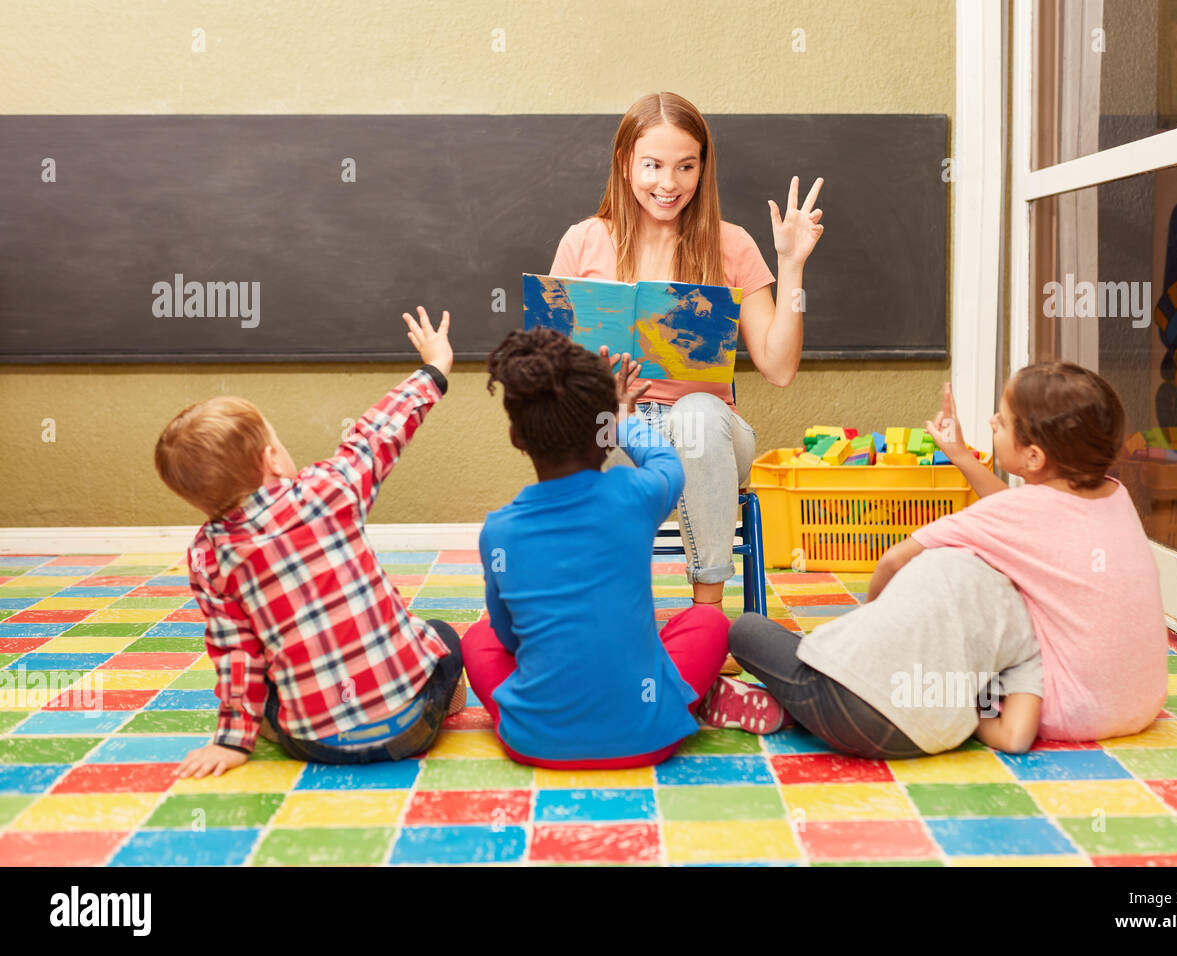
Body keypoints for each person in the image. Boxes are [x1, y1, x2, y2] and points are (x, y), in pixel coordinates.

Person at [702, 362, 1168, 755]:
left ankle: (796, 705)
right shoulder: (1113, 496)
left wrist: (875, 629)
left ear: (1033, 456)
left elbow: (891, 562)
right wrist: (962, 457)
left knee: (746, 631)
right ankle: (805, 709)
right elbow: (1024, 514)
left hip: (1069, 708)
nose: (990, 421)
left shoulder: (1018, 517)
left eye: (1002, 422)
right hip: (1140, 700)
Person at [548, 91, 825, 618]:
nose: (668, 183)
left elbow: (780, 367)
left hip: (710, 436)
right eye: (651, 165)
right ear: (625, 163)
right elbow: (552, 368)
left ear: (703, 168)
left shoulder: (733, 244)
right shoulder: (583, 241)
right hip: (617, 429)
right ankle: (596, 615)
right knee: (584, 432)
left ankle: (706, 618)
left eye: (685, 167)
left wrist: (791, 266)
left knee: (696, 416)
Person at [154, 307, 464, 775]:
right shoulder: (328, 489)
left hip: (316, 745)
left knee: (269, 675)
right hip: (409, 729)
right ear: (272, 459)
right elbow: (380, 431)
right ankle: (434, 698)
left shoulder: (208, 555)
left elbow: (236, 652)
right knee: (442, 635)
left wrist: (235, 741)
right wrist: (434, 367)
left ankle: (278, 722)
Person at [461, 327, 730, 768]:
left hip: (535, 741)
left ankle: (552, 706)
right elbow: (667, 463)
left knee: (478, 637)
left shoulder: (499, 531)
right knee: (709, 622)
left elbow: (509, 638)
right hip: (649, 734)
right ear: (603, 433)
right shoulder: (635, 495)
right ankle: (688, 700)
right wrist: (624, 420)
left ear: (516, 437)